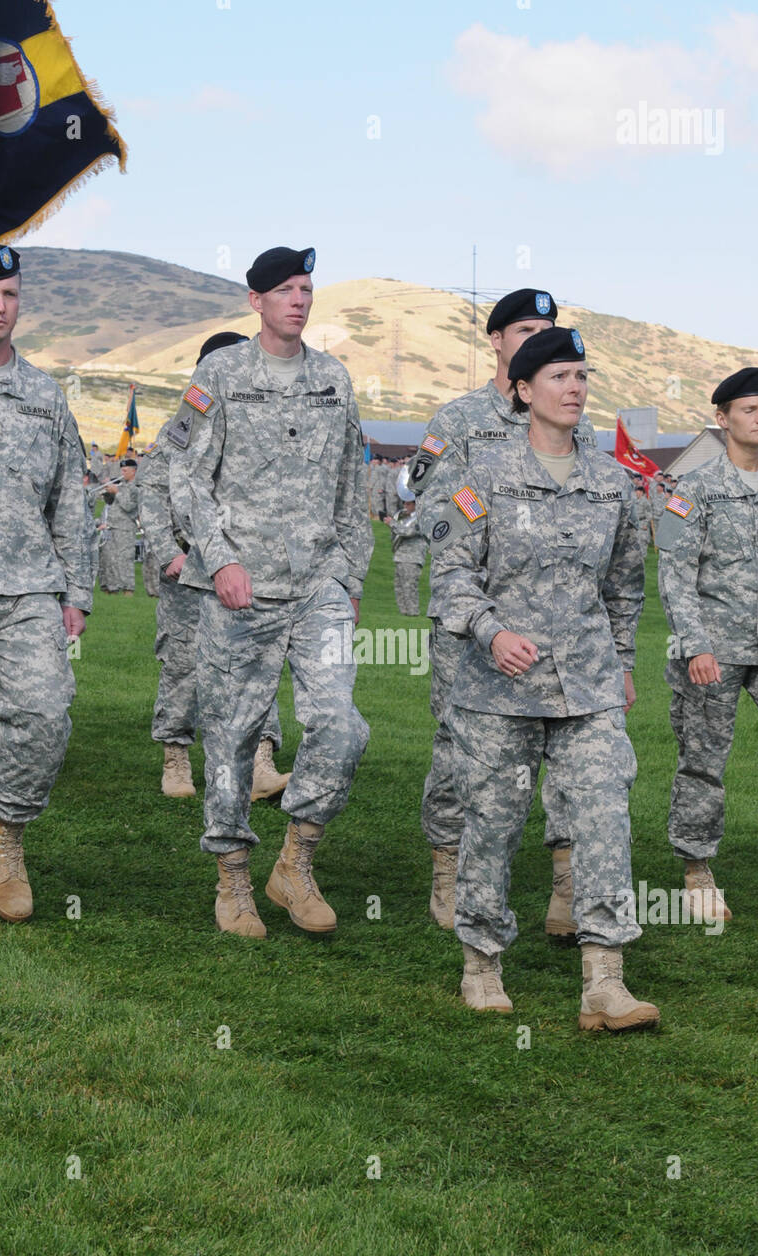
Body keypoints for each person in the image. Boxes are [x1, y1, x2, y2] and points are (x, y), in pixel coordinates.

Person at [430, 327, 658, 1030]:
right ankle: (481, 960)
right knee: (492, 825)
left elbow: (623, 587)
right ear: (524, 390)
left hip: (586, 685)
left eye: (581, 376)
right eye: (558, 376)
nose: (574, 388)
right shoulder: (484, 473)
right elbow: (451, 575)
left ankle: (604, 979)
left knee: (601, 816)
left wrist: (620, 663)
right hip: (497, 689)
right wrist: (490, 631)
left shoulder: (611, 481)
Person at [169, 245, 372, 938]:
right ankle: (231, 879)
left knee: (342, 727)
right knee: (230, 735)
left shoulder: (334, 380)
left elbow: (352, 487)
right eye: (285, 289)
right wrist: (219, 559)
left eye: (306, 288)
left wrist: (349, 575)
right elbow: (187, 476)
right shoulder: (220, 373)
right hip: (240, 589)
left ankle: (294, 860)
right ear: (255, 301)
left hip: (317, 583)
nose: (298, 299)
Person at [409, 289, 595, 939]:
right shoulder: (459, 419)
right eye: (523, 328)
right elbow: (431, 510)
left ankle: (567, 886)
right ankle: (449, 866)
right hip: (473, 616)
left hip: (556, 621)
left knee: (570, 747)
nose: (536, 336)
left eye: (546, 328)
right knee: (460, 745)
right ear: (495, 340)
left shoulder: (579, 423)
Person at [0, 244, 91, 925]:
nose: (1, 306)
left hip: (31, 586)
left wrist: (77, 595)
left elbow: (69, 500)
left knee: (44, 715)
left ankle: (4, 835)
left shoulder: (44, 395)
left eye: (10, 293)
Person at [657, 367, 758, 926]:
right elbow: (675, 573)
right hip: (711, 650)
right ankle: (697, 870)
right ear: (722, 420)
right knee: (703, 761)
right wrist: (694, 644)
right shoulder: (691, 492)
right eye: (749, 410)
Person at [139, 331, 290, 802]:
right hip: (190, 572)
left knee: (256, 664)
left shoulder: (260, 426)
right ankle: (176, 758)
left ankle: (260, 761)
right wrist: (168, 554)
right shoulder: (183, 426)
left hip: (248, 569)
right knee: (184, 663)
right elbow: (152, 491)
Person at [98, 453, 139, 594]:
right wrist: (108, 492)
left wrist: (117, 492)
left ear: (133, 471)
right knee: (111, 559)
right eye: (121, 470)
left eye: (125, 471)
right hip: (113, 526)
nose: (122, 473)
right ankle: (112, 588)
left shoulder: (136, 487)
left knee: (124, 560)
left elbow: (129, 506)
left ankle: (128, 590)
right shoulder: (122, 485)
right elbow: (111, 503)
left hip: (125, 528)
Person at [388, 467, 427, 615]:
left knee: (410, 586)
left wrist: (392, 523)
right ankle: (404, 613)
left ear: (415, 504)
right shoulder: (405, 517)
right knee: (399, 586)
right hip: (400, 556)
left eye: (408, 504)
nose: (405, 506)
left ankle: (413, 613)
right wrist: (396, 521)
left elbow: (408, 532)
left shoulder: (419, 518)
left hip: (412, 557)